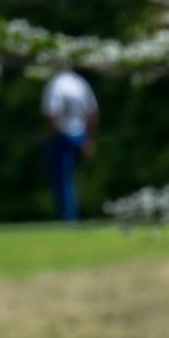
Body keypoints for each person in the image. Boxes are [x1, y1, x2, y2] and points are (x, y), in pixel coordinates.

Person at [41, 67, 98, 222]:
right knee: (78, 180)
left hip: (62, 136)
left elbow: (53, 113)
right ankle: (85, 214)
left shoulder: (56, 84)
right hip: (80, 135)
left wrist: (51, 136)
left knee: (63, 182)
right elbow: (92, 112)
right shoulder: (80, 83)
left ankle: (68, 219)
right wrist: (89, 139)